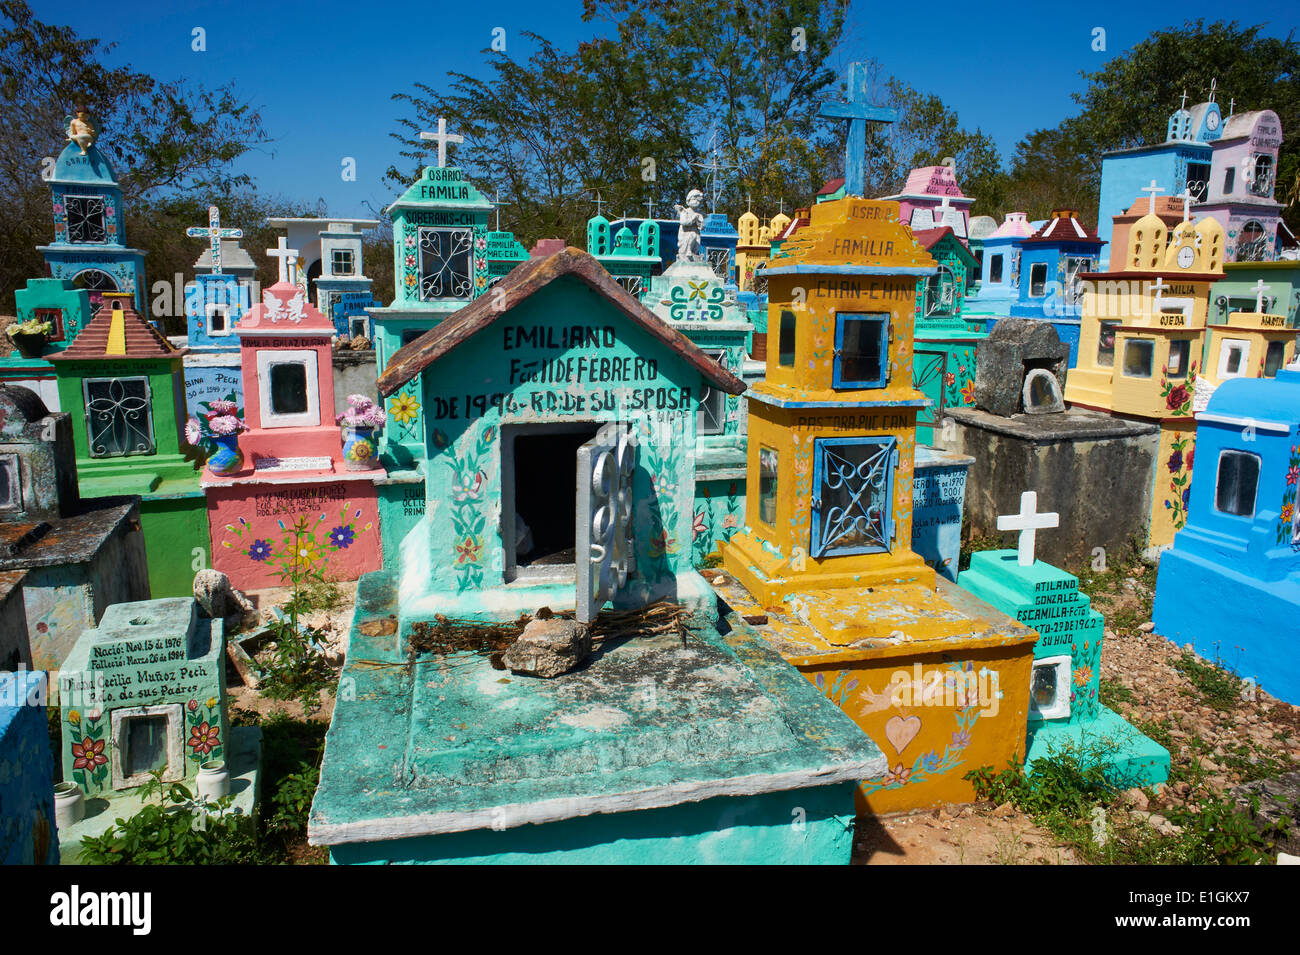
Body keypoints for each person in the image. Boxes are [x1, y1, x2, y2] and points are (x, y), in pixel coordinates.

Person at [674, 189, 706, 262]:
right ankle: (688, 251)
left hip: (696, 235)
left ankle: (693, 253)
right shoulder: (685, 212)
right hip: (685, 234)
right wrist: (693, 218)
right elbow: (683, 222)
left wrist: (699, 222)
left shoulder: (699, 214)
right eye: (694, 199)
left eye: (699, 201)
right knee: (692, 235)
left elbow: (702, 227)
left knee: (696, 240)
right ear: (688, 201)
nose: (697, 202)